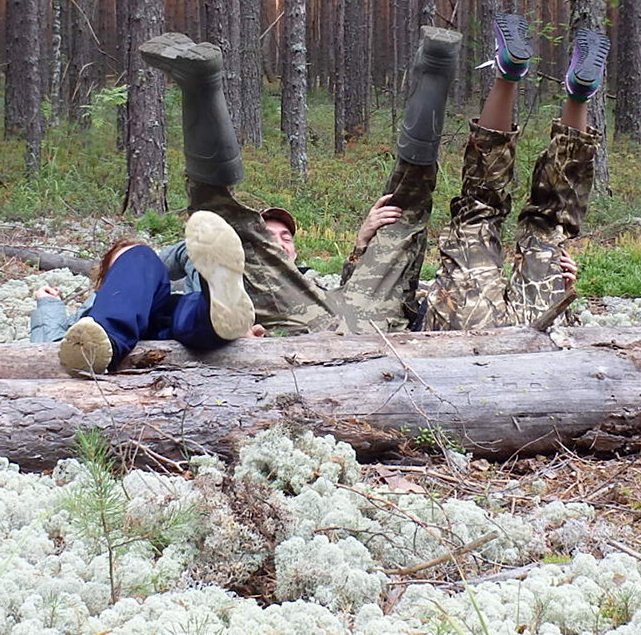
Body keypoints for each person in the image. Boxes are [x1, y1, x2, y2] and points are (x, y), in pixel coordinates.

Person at [140, 25, 463, 335]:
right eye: (271, 234)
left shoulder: (312, 279)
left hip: (360, 313)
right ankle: (201, 84)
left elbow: (348, 294)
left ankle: (437, 64)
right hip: (311, 321)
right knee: (223, 221)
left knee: (399, 216)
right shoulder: (252, 281)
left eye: (287, 236)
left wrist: (362, 244)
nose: (280, 239)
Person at [421, 14, 607, 330]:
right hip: (528, 335)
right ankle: (562, 90)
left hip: (468, 328)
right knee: (492, 212)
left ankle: (543, 85)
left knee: (545, 222)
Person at [34, 210, 263, 376]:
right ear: (105, 281)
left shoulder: (162, 292)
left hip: (177, 325)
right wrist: (48, 305)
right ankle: (105, 342)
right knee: (143, 258)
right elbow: (47, 351)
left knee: (189, 308)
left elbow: (182, 257)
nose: (134, 273)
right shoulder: (84, 320)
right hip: (115, 332)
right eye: (123, 266)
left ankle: (217, 318)